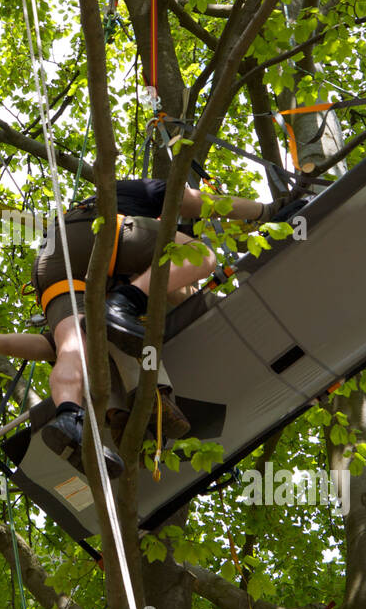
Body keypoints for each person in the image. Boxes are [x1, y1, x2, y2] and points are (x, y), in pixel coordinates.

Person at [28, 179, 276, 477]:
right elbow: (198, 201)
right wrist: (266, 210)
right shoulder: (142, 192)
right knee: (201, 255)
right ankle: (122, 303)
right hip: (95, 229)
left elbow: (174, 293)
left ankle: (68, 416)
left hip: (50, 265)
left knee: (73, 349)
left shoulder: (126, 262)